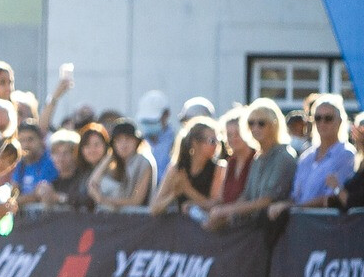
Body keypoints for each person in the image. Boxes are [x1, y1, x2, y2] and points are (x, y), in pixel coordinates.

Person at [204, 98, 295, 229]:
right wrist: (225, 214)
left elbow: (267, 200)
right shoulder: (258, 158)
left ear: (273, 125)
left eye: (261, 123)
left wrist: (227, 211)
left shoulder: (283, 157)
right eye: (251, 123)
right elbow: (247, 196)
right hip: (256, 229)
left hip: (277, 230)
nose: (255, 128)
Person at [285, 92, 359, 210]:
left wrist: (297, 207)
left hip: (325, 220)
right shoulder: (306, 156)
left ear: (340, 121)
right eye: (317, 118)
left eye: (328, 118)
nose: (322, 123)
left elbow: (331, 198)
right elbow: (294, 196)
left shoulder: (346, 154)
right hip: (298, 219)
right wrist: (284, 206)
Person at [149, 116, 223, 214]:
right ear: (195, 143)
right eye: (212, 141)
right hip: (180, 223)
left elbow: (215, 205)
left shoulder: (218, 168)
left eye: (218, 141)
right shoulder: (177, 169)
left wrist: (188, 190)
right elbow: (154, 208)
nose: (216, 145)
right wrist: (173, 194)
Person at [88, 120, 155, 210]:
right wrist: (110, 157)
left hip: (139, 216)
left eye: (128, 139)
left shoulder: (143, 162)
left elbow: (136, 200)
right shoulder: (115, 164)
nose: (123, 144)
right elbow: (92, 184)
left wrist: (104, 200)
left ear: (136, 141)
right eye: (118, 140)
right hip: (116, 216)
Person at [11, 120, 59, 195]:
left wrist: (15, 200)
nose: (26, 145)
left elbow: (39, 195)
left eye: (30, 139)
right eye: (21, 140)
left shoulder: (50, 161)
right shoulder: (20, 163)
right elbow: (14, 191)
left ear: (41, 140)